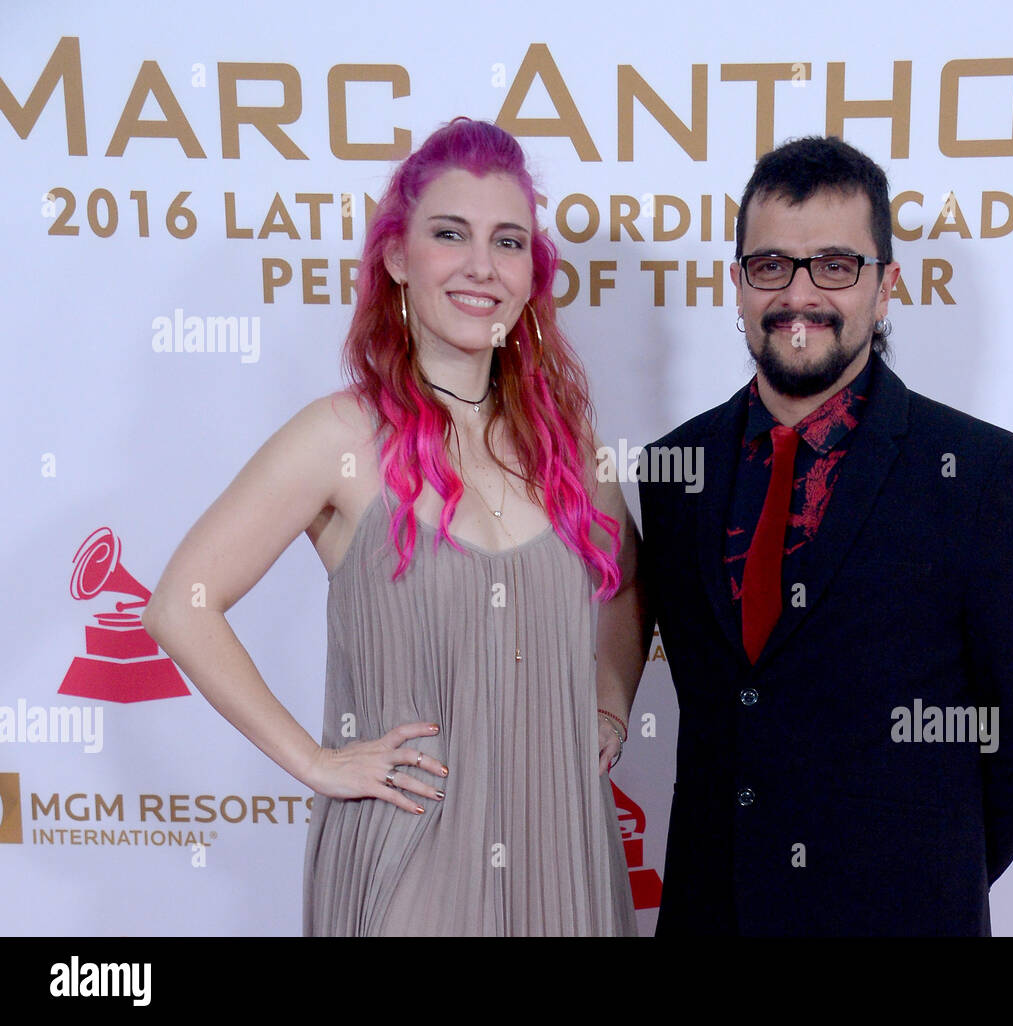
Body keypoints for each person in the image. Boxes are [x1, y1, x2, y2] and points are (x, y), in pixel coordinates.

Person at [144, 118, 646, 936]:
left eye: (508, 241)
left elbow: (627, 586)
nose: (482, 265)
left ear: (532, 271)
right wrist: (314, 761)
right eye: (451, 234)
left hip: (564, 851)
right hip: (409, 854)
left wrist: (610, 706)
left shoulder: (570, 446)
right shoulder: (338, 437)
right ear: (398, 258)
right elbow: (180, 605)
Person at [637, 135, 1013, 936]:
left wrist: (931, 866)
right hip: (712, 914)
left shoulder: (981, 475)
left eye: (836, 266)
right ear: (737, 284)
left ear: (885, 288)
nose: (800, 294)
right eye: (772, 265)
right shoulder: (673, 471)